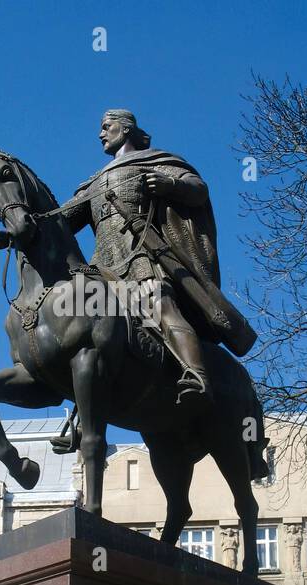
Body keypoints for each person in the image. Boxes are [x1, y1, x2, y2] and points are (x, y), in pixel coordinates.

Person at [58, 109, 224, 401]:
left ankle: (198, 376)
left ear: (125, 129)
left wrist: (171, 185)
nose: (100, 134)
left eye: (106, 127)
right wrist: (16, 231)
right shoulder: (94, 182)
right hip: (101, 267)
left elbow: (198, 190)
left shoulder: (155, 162)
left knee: (160, 308)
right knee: (84, 328)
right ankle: (82, 411)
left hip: (142, 255)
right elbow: (60, 221)